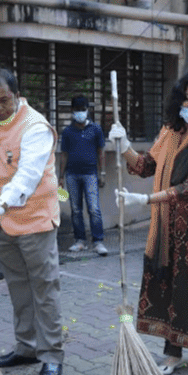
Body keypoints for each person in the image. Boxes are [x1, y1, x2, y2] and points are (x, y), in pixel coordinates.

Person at [109, 69, 188, 375]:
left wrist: (146, 201)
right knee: (169, 289)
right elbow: (145, 166)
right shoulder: (170, 131)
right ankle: (172, 353)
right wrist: (124, 145)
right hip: (167, 228)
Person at [0, 66, 64, 375]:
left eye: (4, 101)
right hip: (6, 224)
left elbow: (27, 176)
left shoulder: (35, 127)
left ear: (18, 95)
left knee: (44, 289)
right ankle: (26, 347)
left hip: (36, 221)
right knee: (19, 289)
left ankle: (51, 354)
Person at [59, 95, 108, 256]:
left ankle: (98, 242)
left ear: (87, 110)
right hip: (71, 175)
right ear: (72, 111)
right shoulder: (67, 132)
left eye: (83, 110)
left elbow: (101, 152)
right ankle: (80, 241)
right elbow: (64, 155)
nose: (80, 113)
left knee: (94, 209)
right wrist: (60, 177)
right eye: (77, 110)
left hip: (90, 174)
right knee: (76, 209)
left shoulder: (95, 129)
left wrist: (102, 173)